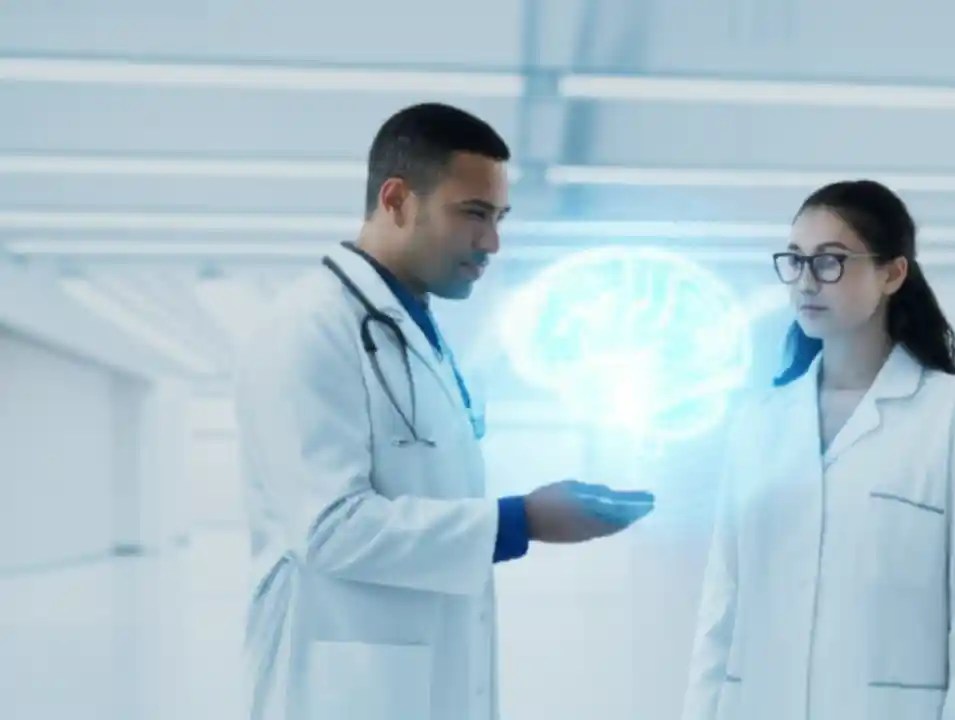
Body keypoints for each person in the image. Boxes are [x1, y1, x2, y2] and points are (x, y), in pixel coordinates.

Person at [235, 102, 653, 720]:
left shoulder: (412, 327)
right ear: (398, 200)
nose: (492, 242)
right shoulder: (309, 326)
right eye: (474, 215)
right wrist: (522, 520)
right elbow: (327, 529)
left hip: (415, 670)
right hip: (345, 684)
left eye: (499, 217)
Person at [681, 180, 955, 720]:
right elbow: (721, 606)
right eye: (795, 260)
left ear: (893, 273)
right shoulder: (757, 423)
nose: (806, 282)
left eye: (831, 262)